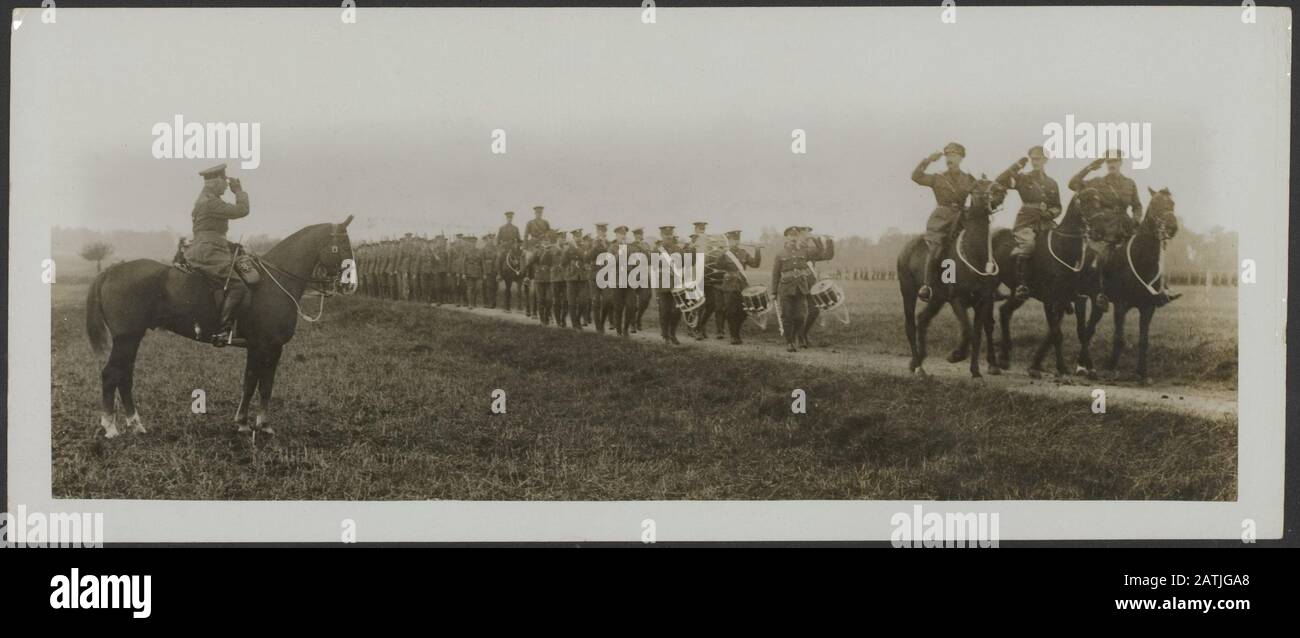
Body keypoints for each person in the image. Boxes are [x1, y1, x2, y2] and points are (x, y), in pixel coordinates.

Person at [1068, 148, 1167, 306]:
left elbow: (1137, 206)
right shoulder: (1097, 181)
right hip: (1103, 228)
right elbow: (1073, 184)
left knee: (1150, 251)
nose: (1112, 164)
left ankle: (1161, 290)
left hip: (1126, 227)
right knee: (1094, 257)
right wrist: (1089, 168)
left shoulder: (1129, 183)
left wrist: (1135, 220)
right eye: (1109, 161)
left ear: (1121, 162)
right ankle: (1085, 291)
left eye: (1115, 161)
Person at [186, 163, 251, 347]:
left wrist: (228, 244)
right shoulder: (211, 202)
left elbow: (207, 229)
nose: (226, 185)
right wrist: (239, 191)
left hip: (207, 246)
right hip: (209, 251)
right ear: (215, 182)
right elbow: (242, 210)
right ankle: (223, 330)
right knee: (237, 285)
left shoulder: (204, 199)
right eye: (224, 181)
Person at [911, 142, 977, 302]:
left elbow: (978, 197)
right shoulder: (937, 178)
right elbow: (916, 177)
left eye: (953, 155)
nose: (950, 158)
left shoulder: (969, 179)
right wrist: (928, 160)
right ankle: (927, 286)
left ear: (961, 158)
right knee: (935, 248)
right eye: (947, 155)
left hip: (962, 218)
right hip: (941, 219)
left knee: (978, 243)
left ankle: (984, 284)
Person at [997, 145, 1062, 299]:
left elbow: (1058, 206)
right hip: (1026, 221)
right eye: (1033, 159)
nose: (1035, 162)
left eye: (1038, 159)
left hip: (1046, 222)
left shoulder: (1052, 183)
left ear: (1045, 160)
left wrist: (1050, 213)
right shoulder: (1022, 178)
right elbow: (1000, 181)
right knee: (1028, 245)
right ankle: (1021, 284)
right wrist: (1017, 166)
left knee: (1061, 244)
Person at [771, 226, 814, 352]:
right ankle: (789, 342)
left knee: (800, 316)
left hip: (800, 288)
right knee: (787, 316)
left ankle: (797, 337)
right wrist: (774, 292)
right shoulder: (780, 254)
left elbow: (820, 253)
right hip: (785, 289)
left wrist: (812, 238)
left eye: (796, 236)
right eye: (791, 236)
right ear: (787, 238)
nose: (793, 239)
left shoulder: (804, 252)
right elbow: (775, 274)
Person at [716, 230, 761, 345]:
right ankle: (734, 336)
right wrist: (721, 253)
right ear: (729, 241)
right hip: (729, 285)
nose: (735, 242)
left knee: (744, 312)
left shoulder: (743, 252)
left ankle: (736, 333)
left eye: (737, 240)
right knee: (731, 312)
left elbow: (755, 264)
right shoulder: (725, 253)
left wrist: (757, 250)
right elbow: (718, 265)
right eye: (732, 240)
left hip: (742, 286)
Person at [797, 227, 833, 347]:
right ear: (799, 235)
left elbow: (827, 255)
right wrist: (816, 239)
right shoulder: (795, 250)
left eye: (808, 234)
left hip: (811, 285)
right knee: (800, 312)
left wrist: (828, 241)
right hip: (798, 285)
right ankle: (800, 338)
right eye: (805, 234)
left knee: (814, 311)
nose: (807, 237)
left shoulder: (810, 251)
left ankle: (803, 334)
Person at [654, 225, 684, 344]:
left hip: (677, 285)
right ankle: (665, 334)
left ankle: (673, 333)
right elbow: (654, 267)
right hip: (663, 284)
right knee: (665, 311)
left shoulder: (678, 249)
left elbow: (685, 264)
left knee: (677, 311)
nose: (668, 237)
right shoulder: (657, 250)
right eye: (666, 235)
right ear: (662, 236)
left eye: (670, 235)